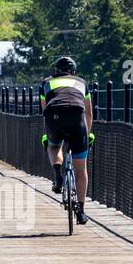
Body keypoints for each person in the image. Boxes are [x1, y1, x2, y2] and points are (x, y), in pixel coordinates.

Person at [40, 56, 92, 225]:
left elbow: (44, 110)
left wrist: (50, 133)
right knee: (80, 168)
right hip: (76, 118)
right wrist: (87, 134)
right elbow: (89, 113)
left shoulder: (47, 83)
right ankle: (82, 211)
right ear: (73, 72)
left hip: (53, 116)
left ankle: (57, 173)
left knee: (53, 146)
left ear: (56, 71)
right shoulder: (81, 82)